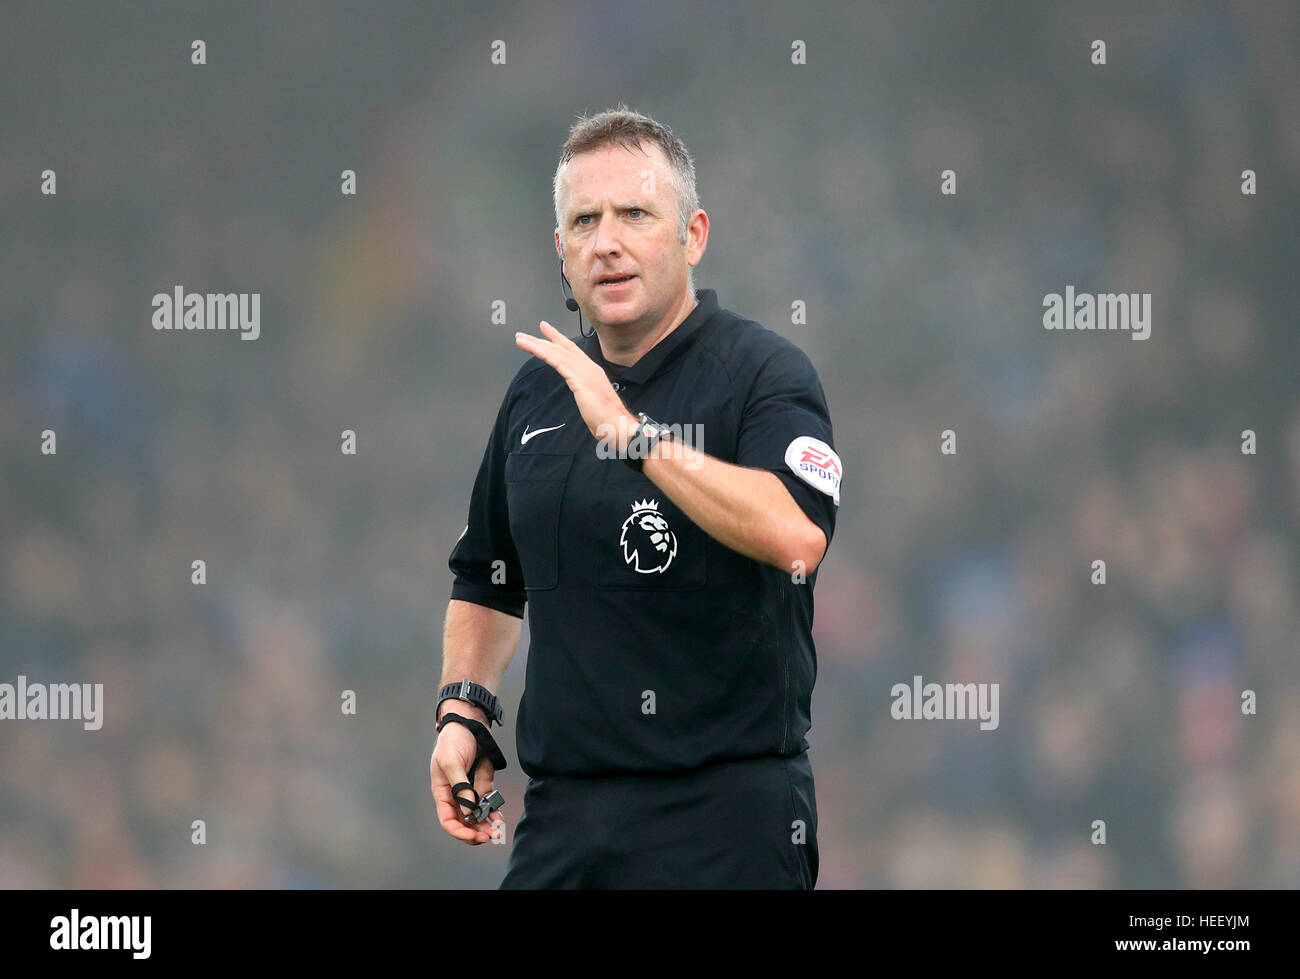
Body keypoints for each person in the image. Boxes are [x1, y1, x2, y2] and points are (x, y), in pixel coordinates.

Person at [430, 105, 841, 888]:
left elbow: (796, 535)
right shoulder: (538, 392)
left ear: (693, 236)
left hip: (726, 820)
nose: (607, 241)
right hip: (566, 821)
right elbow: (487, 576)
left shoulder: (764, 374)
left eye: (634, 214)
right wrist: (465, 710)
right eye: (584, 220)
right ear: (561, 251)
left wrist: (633, 436)